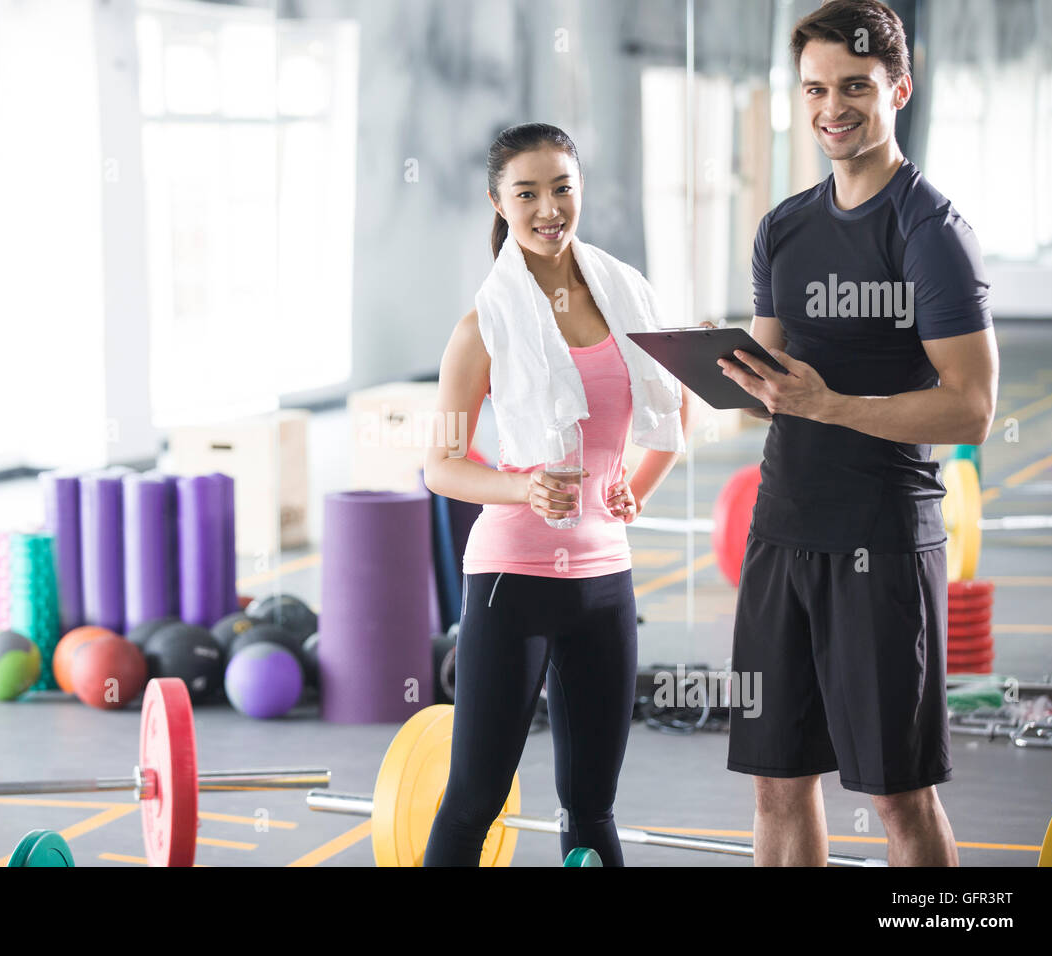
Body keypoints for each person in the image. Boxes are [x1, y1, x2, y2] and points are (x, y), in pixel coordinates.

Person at [717, 0, 997, 866]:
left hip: (880, 542)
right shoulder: (783, 229)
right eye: (814, 88)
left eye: (854, 87)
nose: (830, 107)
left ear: (898, 88)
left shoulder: (931, 232)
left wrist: (829, 404)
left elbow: (971, 408)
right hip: (783, 532)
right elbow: (770, 378)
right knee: (776, 783)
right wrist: (703, 373)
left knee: (897, 798)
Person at [422, 122, 692, 866]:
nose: (549, 208)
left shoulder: (626, 298)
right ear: (498, 203)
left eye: (563, 187)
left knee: (593, 808)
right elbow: (440, 465)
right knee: (474, 799)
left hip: (607, 582)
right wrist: (522, 486)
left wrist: (634, 488)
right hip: (514, 580)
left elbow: (675, 409)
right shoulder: (480, 329)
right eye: (528, 193)